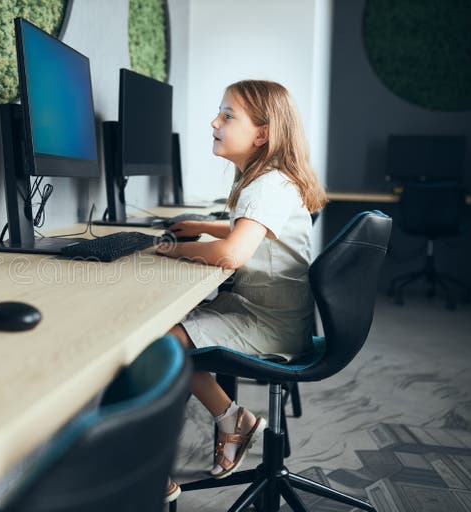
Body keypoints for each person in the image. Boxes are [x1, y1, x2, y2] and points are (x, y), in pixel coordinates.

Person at [157, 80, 326, 501]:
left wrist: (175, 249)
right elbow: (250, 230)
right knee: (166, 327)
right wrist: (201, 227)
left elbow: (232, 253)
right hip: (274, 313)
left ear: (262, 134)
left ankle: (217, 427)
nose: (214, 122)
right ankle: (230, 421)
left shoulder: (266, 184)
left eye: (227, 115)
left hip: (271, 325)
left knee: (162, 343)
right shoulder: (272, 180)